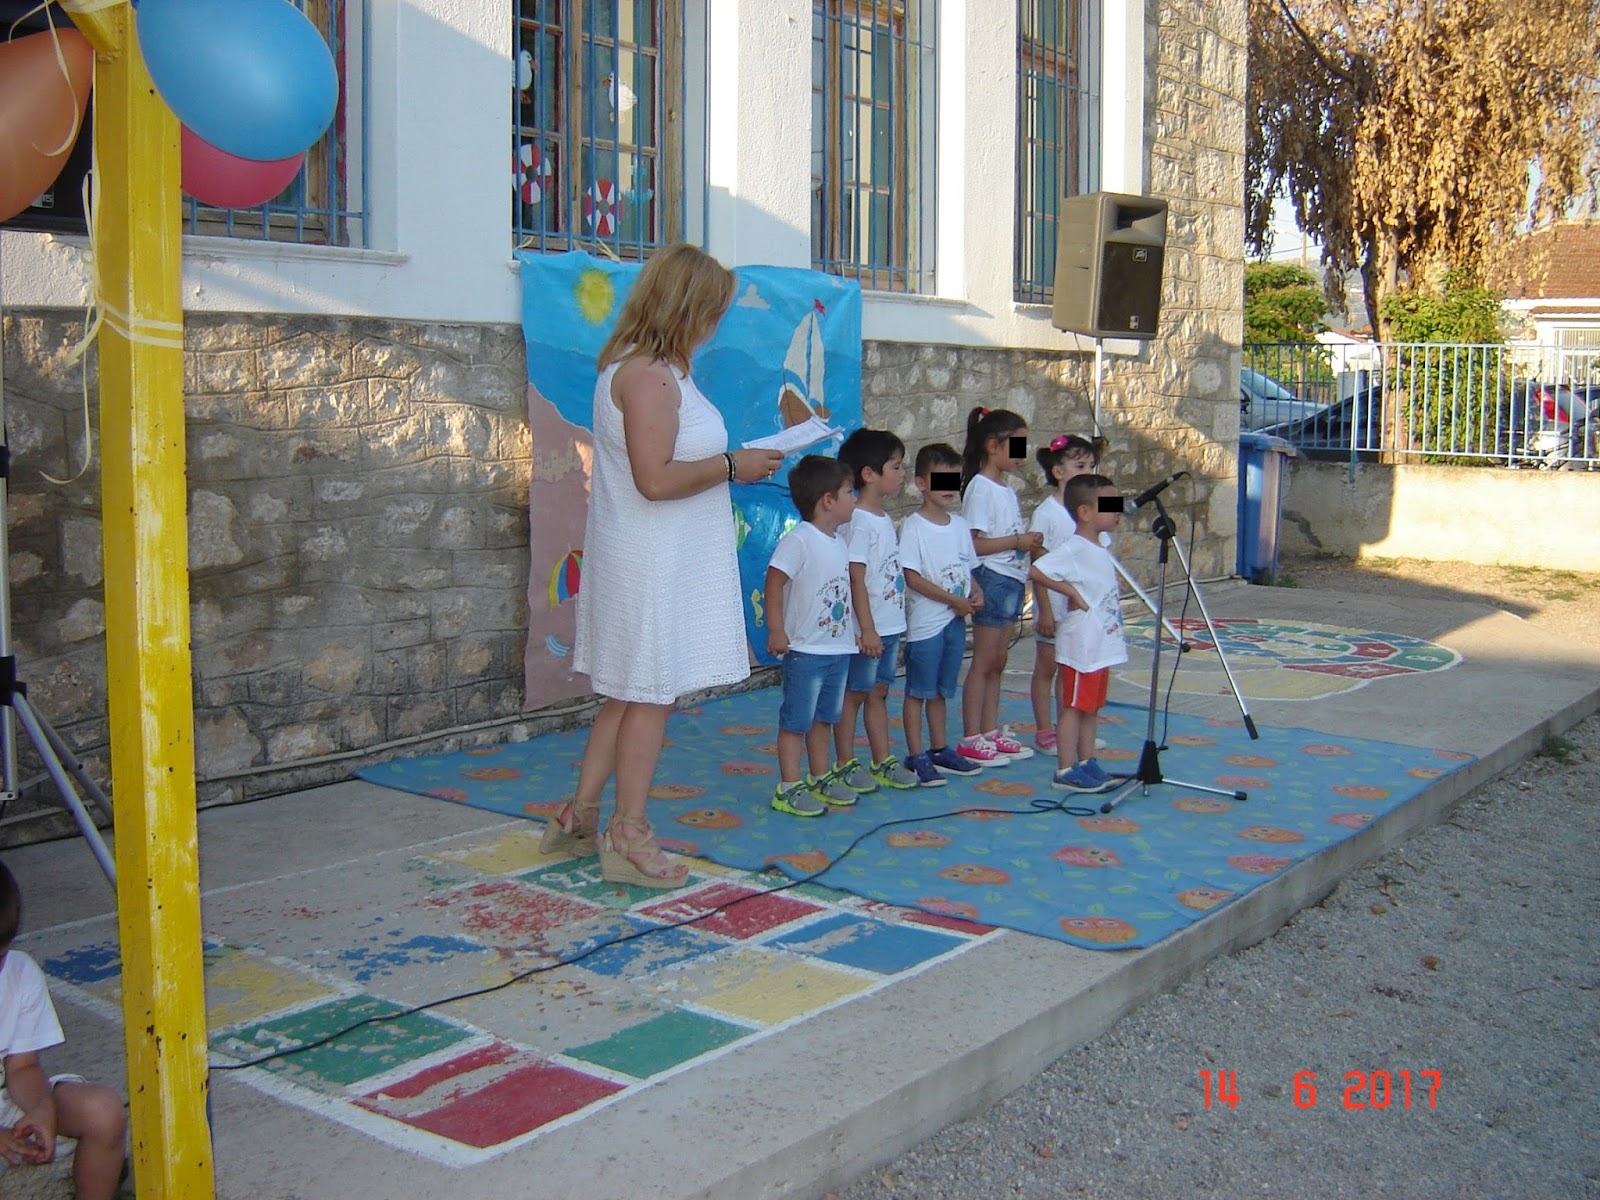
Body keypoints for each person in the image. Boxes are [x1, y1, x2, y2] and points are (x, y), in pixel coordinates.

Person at [556, 244, 786, 888]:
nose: (719, 321)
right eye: (714, 309)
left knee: (628, 692)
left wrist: (731, 462)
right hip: (652, 558)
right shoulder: (651, 376)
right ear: (691, 308)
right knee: (650, 694)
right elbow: (654, 480)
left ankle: (580, 814)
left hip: (650, 553)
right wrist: (733, 465)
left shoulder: (645, 369)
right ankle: (628, 832)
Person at [0, 861, 126, 1200]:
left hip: (5, 1097)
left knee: (104, 1110)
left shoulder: (20, 972)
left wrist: (42, 1107)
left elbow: (22, 1066)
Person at [766, 455, 861, 816]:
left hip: (837, 649)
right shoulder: (800, 540)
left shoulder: (839, 542)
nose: (854, 498)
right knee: (796, 721)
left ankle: (820, 777)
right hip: (806, 651)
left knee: (825, 718)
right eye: (849, 491)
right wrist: (778, 628)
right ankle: (789, 786)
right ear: (827, 500)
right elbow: (775, 580)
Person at [832, 430, 919, 793]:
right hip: (868, 629)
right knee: (853, 694)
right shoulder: (860, 521)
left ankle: (882, 758)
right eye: (896, 467)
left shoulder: (881, 518)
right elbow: (855, 576)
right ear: (869, 474)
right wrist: (866, 629)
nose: (902, 474)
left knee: (879, 691)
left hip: (889, 625)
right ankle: (843, 763)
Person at [1029, 473, 1128, 793]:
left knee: (1091, 705)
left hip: (1101, 644)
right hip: (1081, 644)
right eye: (1110, 505)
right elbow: (1037, 570)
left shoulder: (1099, 547)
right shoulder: (1074, 547)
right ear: (1085, 512)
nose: (1118, 511)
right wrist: (1069, 591)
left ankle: (1087, 761)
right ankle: (1065, 768)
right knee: (1072, 706)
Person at [957, 407, 1043, 767]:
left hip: (1009, 578)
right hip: (991, 577)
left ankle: (990, 730)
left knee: (999, 661)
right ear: (993, 446)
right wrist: (1017, 541)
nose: (1022, 455)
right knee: (983, 661)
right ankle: (971, 735)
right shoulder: (980, 487)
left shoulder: (1004, 488)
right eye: (1017, 445)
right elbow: (973, 544)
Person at [898, 444, 987, 786]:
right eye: (941, 479)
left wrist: (974, 591)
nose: (950, 486)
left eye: (955, 478)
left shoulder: (960, 525)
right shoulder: (913, 527)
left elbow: (969, 568)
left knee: (940, 691)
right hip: (927, 625)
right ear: (921, 483)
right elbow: (912, 576)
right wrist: (952, 599)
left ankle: (938, 749)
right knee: (918, 691)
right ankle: (916, 754)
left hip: (954, 621)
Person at [1027, 434, 1098, 752]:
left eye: (1092, 466)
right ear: (1058, 471)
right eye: (1080, 465)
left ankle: (1068, 728)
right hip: (1054, 606)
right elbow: (1037, 564)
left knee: (1075, 669)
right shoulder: (1046, 512)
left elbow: (1102, 548)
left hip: (1082, 608)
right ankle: (1044, 730)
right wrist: (1043, 610)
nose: (1088, 471)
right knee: (1047, 668)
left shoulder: (1088, 508)